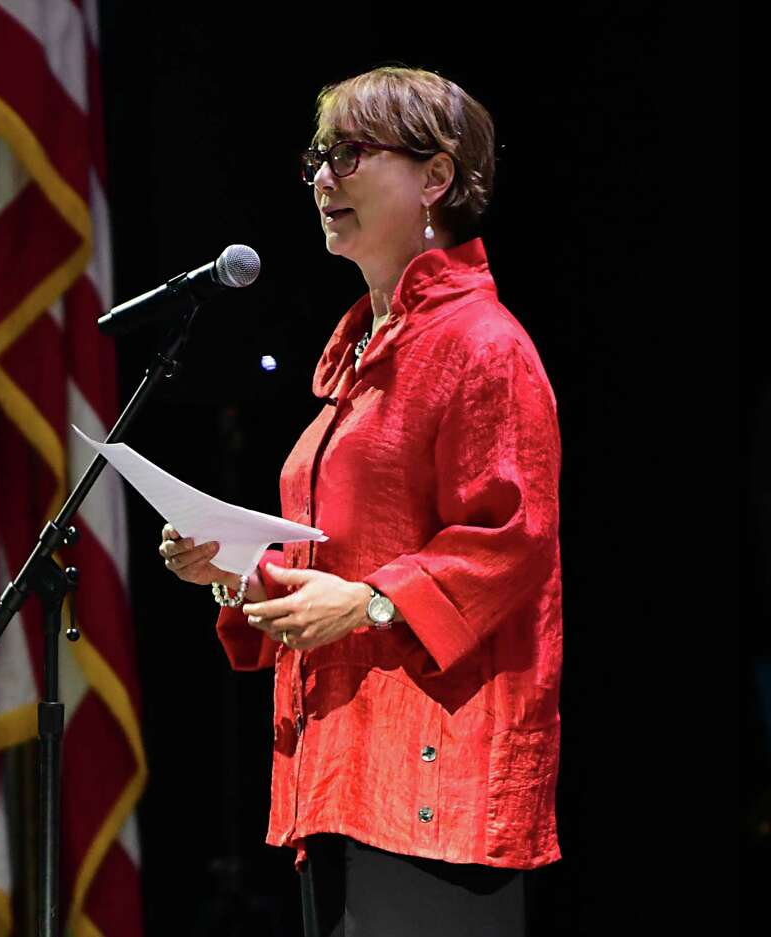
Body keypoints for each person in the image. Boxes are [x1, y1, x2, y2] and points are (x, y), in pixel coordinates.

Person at [158, 66, 562, 937]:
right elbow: (337, 561)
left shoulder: (483, 345)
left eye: (349, 152)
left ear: (436, 178)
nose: (321, 177)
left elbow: (512, 536)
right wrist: (235, 573)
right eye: (315, 157)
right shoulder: (361, 363)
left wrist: (373, 599)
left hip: (436, 788)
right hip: (339, 769)